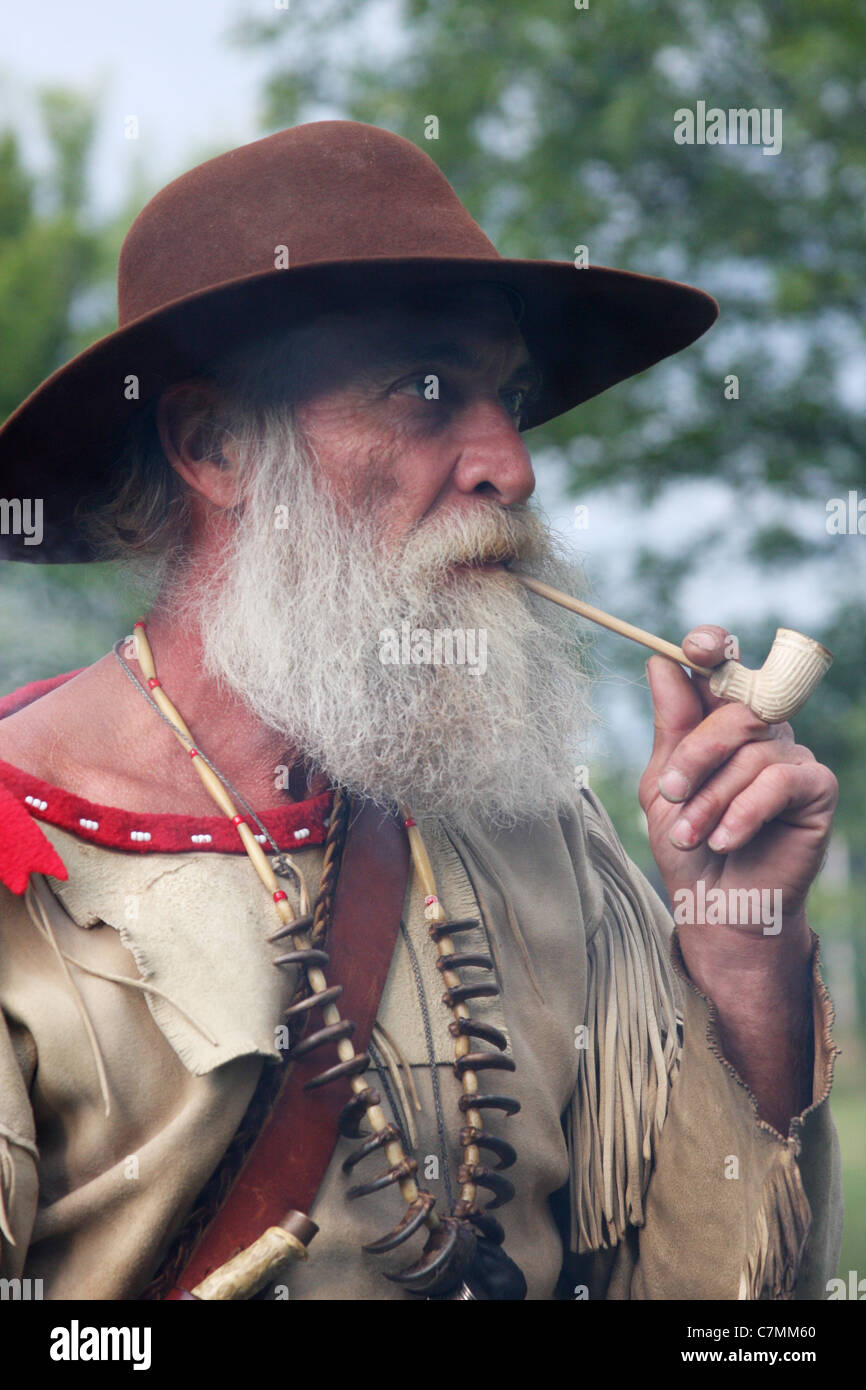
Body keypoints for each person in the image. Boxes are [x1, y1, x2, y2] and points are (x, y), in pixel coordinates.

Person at [0, 120, 841, 1301]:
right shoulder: (17, 855)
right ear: (212, 443)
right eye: (428, 392)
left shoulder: (534, 822)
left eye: (505, 396)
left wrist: (741, 951)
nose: (512, 464)